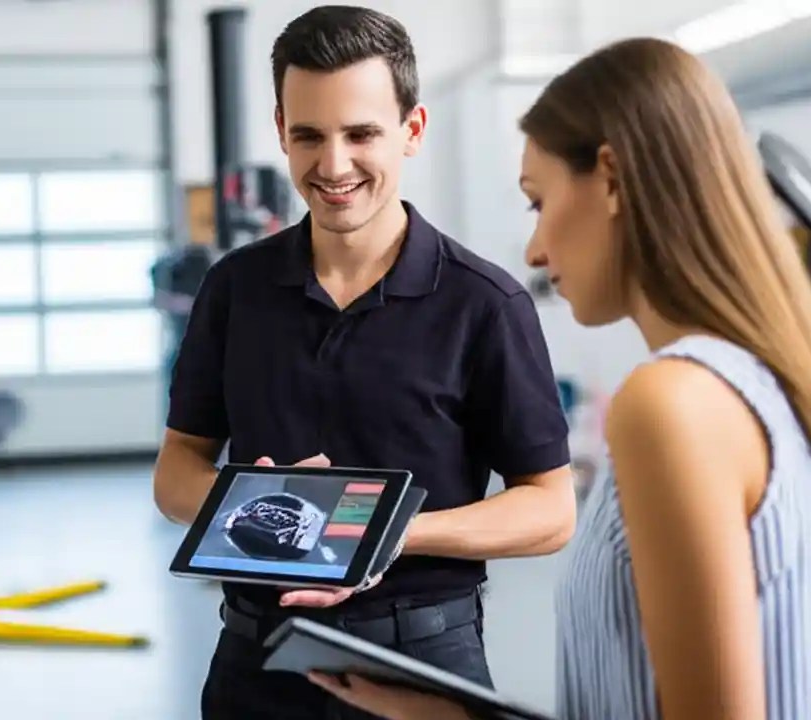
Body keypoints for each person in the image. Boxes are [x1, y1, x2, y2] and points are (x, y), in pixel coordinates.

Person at [311, 36, 811, 720]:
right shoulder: (777, 385)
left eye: (538, 202)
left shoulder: (670, 405)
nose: (534, 248)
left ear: (612, 179)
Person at [152, 5, 577, 719]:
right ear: (281, 131)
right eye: (310, 135)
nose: (334, 165)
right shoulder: (235, 289)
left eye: (361, 134)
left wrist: (372, 532)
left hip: (421, 662)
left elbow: (551, 508)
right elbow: (176, 477)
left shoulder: (484, 304)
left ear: (411, 131)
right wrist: (267, 510)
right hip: (258, 663)